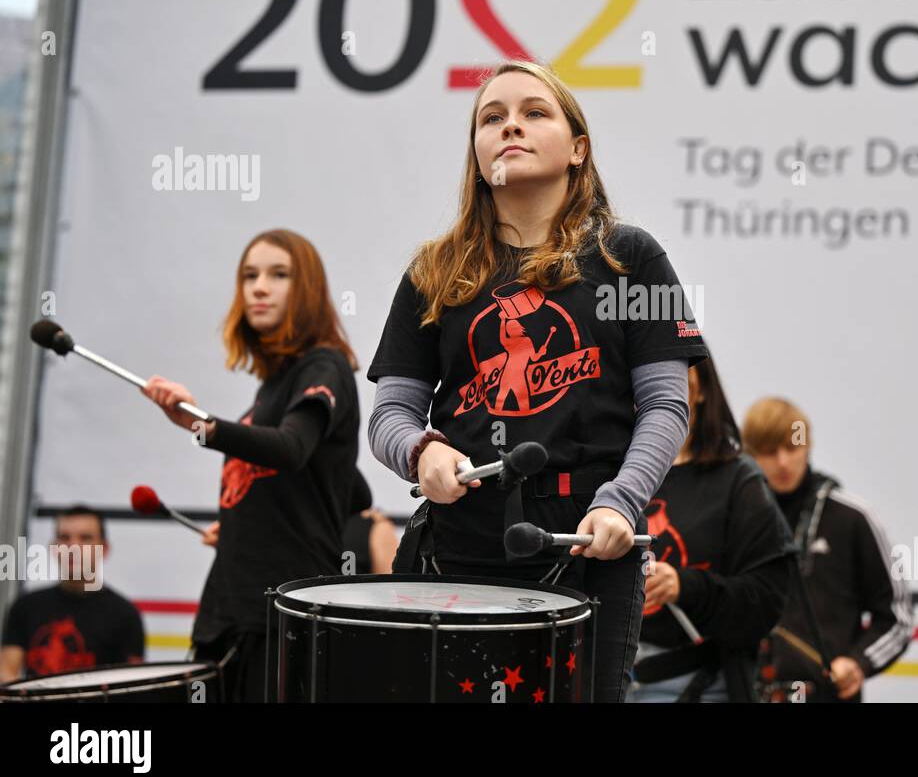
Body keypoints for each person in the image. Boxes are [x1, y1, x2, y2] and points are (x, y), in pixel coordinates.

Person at [367, 60, 708, 703]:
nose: (510, 127)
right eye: (491, 118)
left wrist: (620, 501)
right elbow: (389, 416)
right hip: (456, 546)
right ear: (476, 152)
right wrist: (422, 450)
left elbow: (666, 406)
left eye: (534, 112)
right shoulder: (433, 271)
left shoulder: (629, 257)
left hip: (588, 548)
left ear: (578, 148)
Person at [140, 229, 360, 702]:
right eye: (249, 275)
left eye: (278, 275)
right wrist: (248, 525)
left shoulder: (324, 366)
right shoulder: (272, 387)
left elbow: (289, 449)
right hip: (230, 611)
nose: (258, 287)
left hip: (280, 614)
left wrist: (201, 424)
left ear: (309, 289)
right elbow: (347, 485)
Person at [627, 357, 794, 702]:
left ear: (702, 388)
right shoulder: (608, 472)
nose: (661, 378)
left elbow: (766, 599)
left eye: (678, 370)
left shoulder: (737, 479)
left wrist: (685, 586)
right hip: (602, 673)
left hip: (694, 682)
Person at [742, 397, 913, 702]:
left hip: (827, 696)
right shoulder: (738, 519)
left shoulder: (852, 517)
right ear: (749, 455)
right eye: (769, 452)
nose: (782, 462)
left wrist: (858, 663)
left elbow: (897, 618)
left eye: (792, 448)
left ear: (808, 447)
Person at [0, 507, 144, 682]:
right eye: (64, 538)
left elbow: (134, 687)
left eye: (85, 538)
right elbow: (6, 674)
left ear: (104, 549)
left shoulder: (125, 615)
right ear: (53, 547)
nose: (73, 547)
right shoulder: (25, 607)